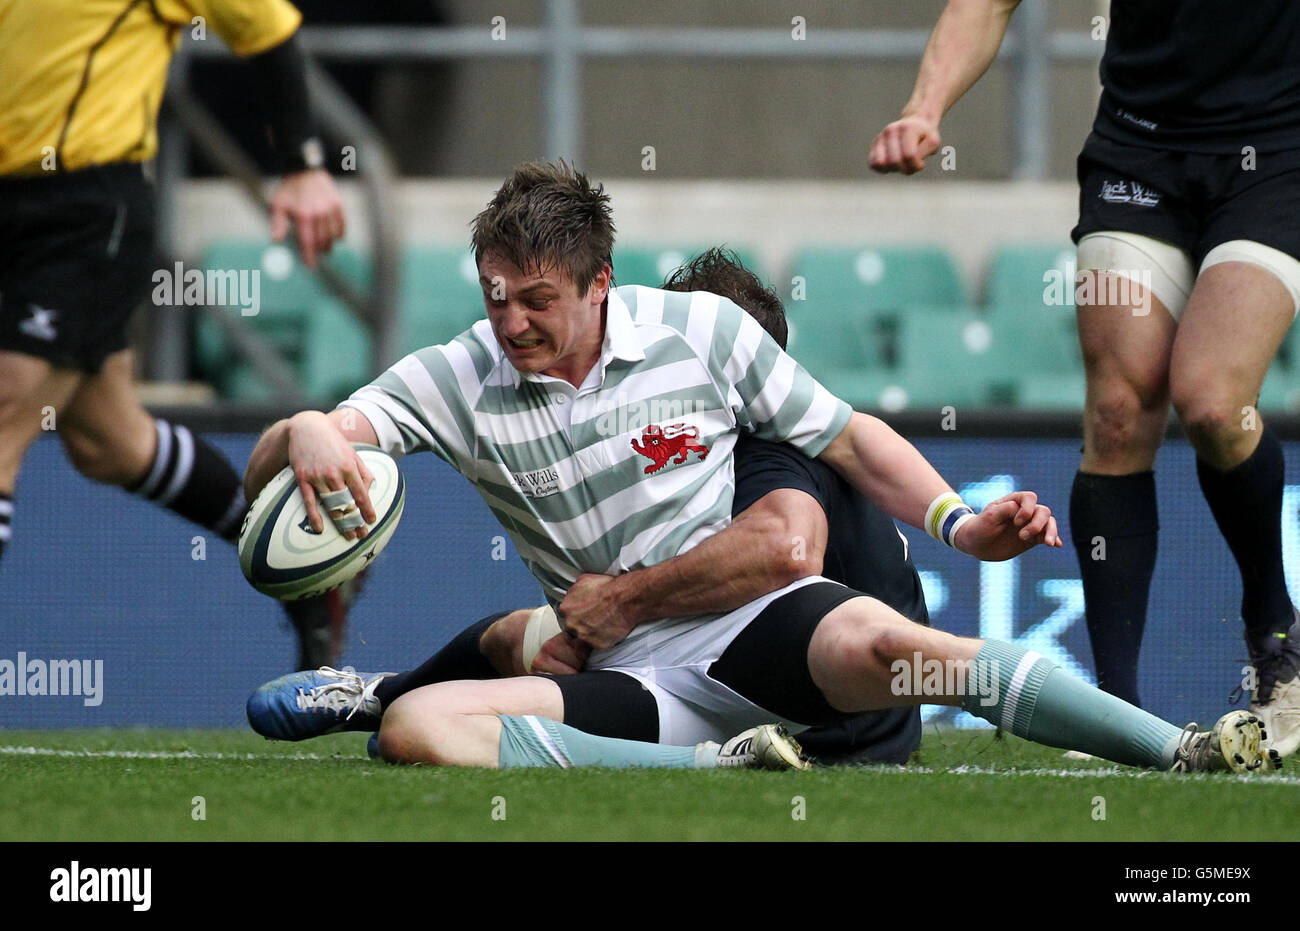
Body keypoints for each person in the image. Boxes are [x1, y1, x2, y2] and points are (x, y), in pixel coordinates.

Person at [245, 161, 1273, 775]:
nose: (510, 322)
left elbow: (853, 439)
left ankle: (1180, 747)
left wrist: (960, 522)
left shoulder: (703, 334)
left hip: (754, 628)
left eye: (537, 300)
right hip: (631, 680)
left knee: (918, 647)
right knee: (420, 728)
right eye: (495, 295)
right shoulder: (454, 374)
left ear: (601, 283)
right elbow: (284, 476)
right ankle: (706, 766)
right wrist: (304, 427)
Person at [255, 247, 933, 766]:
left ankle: (394, 702)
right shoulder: (739, 441)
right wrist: (304, 426)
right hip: (785, 696)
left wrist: (615, 609)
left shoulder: (775, 450)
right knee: (522, 633)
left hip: (806, 725)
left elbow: (784, 553)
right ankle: (377, 694)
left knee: (523, 659)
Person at [868, 0, 1300, 758]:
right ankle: (1116, 710)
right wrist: (924, 108)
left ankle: (1279, 644)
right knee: (1117, 413)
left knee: (1210, 402)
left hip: (1279, 150)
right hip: (1141, 148)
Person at [0, 0, 352, 668]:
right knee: (111, 443)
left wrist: (303, 164)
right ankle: (308, 565)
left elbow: (270, 27)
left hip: (84, 211)